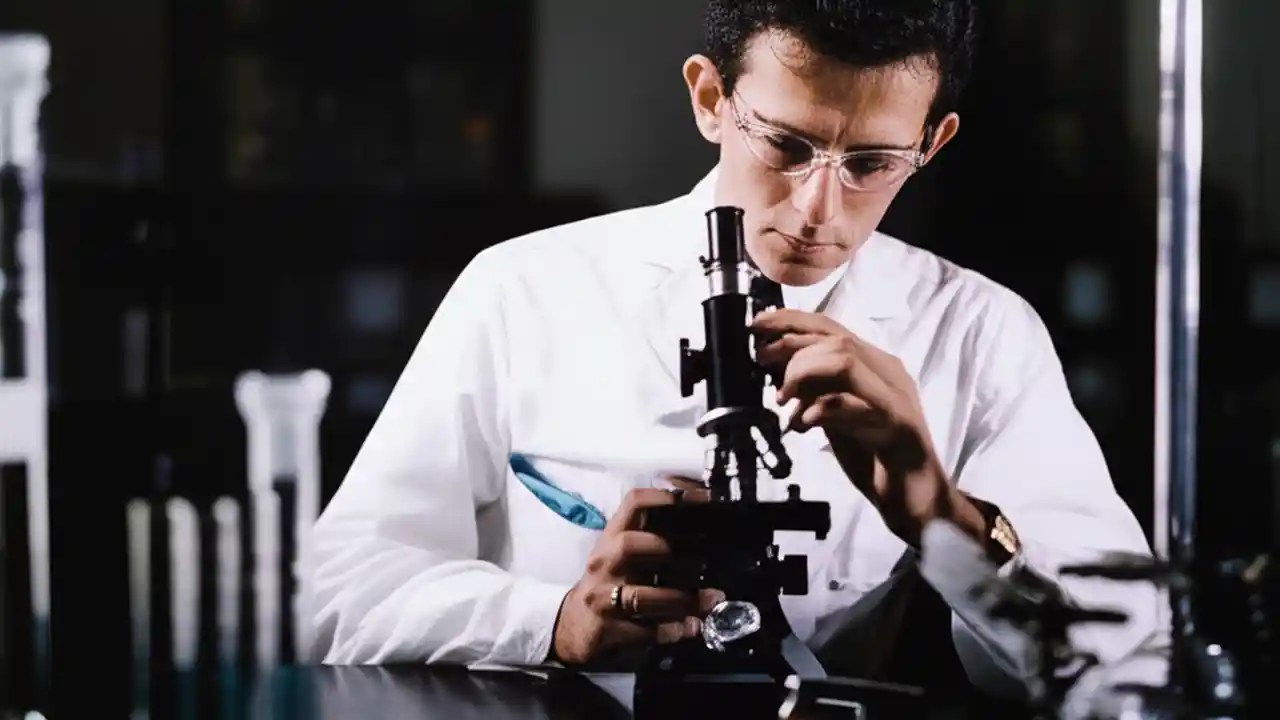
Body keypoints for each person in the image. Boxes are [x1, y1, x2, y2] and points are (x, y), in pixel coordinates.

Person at [309, 0, 1163, 697]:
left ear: (932, 142)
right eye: (786, 146)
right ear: (710, 99)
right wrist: (555, 620)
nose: (819, 208)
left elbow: (1126, 667)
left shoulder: (977, 332)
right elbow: (336, 597)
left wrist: (943, 516)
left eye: (873, 163)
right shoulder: (522, 289)